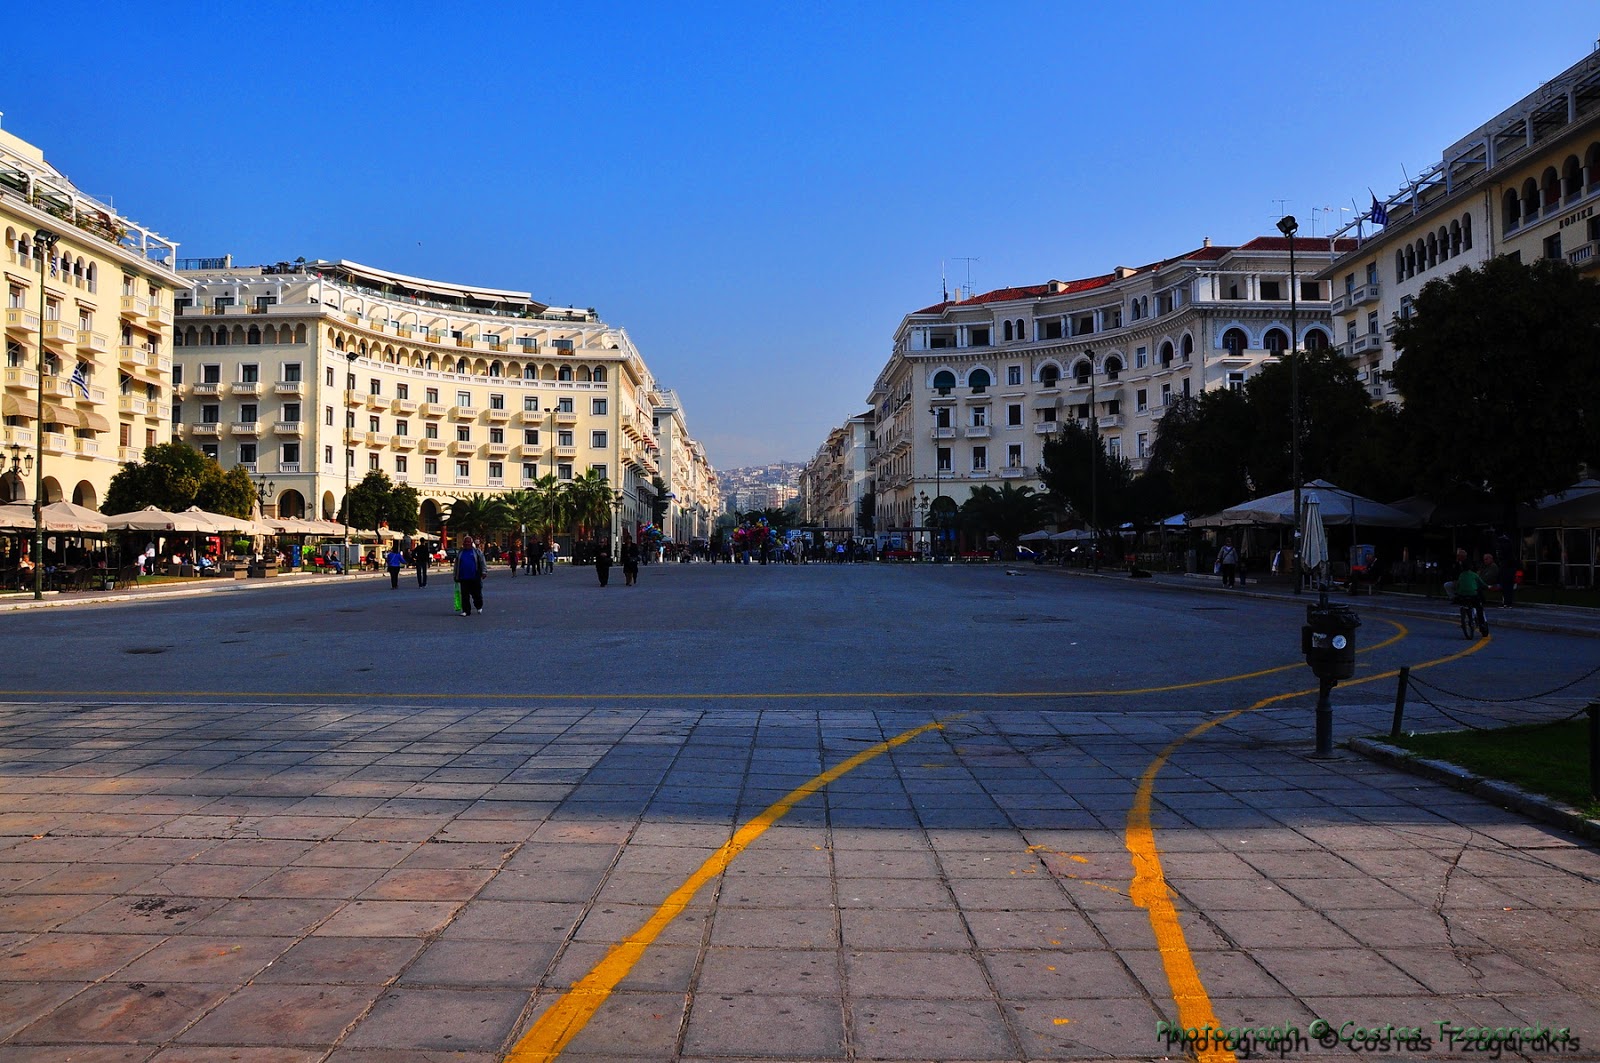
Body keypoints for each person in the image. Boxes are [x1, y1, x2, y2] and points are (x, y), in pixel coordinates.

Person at [1452, 558, 1489, 635]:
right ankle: (1482, 624)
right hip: (1473, 595)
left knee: (1464, 604)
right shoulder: (1474, 574)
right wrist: (1487, 587)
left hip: (1462, 596)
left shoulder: (1461, 575)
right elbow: (1482, 583)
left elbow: (1458, 585)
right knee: (1479, 608)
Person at [454, 534, 487, 616]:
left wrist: (484, 572)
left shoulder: (476, 552)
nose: (467, 543)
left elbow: (482, 562)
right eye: (465, 542)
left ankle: (479, 606)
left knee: (476, 594)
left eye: (468, 542)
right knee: (464, 595)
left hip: (475, 576)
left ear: (471, 543)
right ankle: (466, 610)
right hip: (463, 577)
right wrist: (455, 575)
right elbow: (456, 565)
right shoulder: (460, 553)